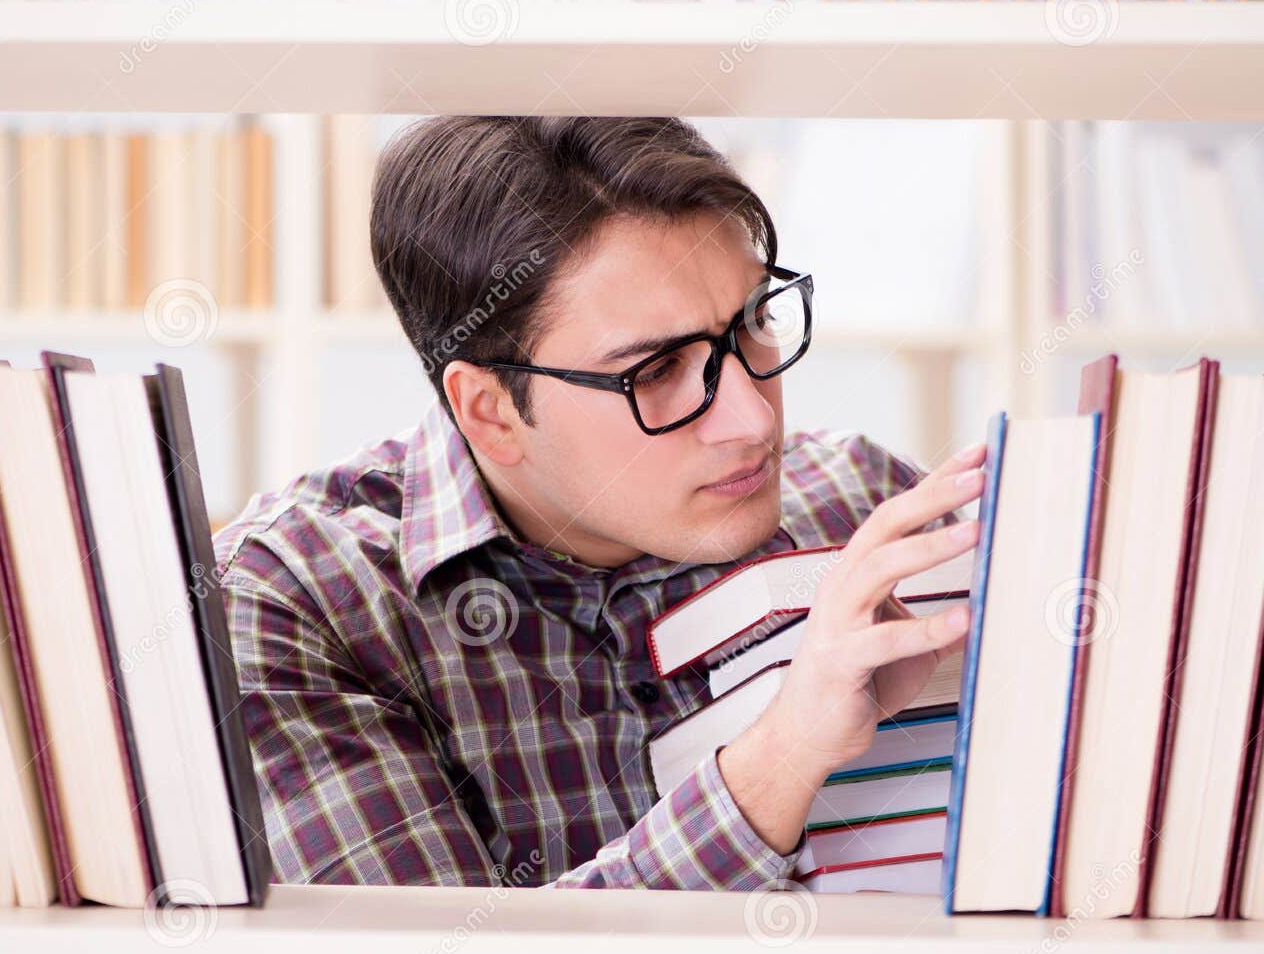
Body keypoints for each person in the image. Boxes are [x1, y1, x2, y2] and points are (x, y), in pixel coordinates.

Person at [213, 116, 984, 889]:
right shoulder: (289, 603)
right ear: (490, 411)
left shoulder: (869, 502)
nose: (754, 421)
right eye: (655, 372)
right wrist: (780, 758)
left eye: (754, 322)